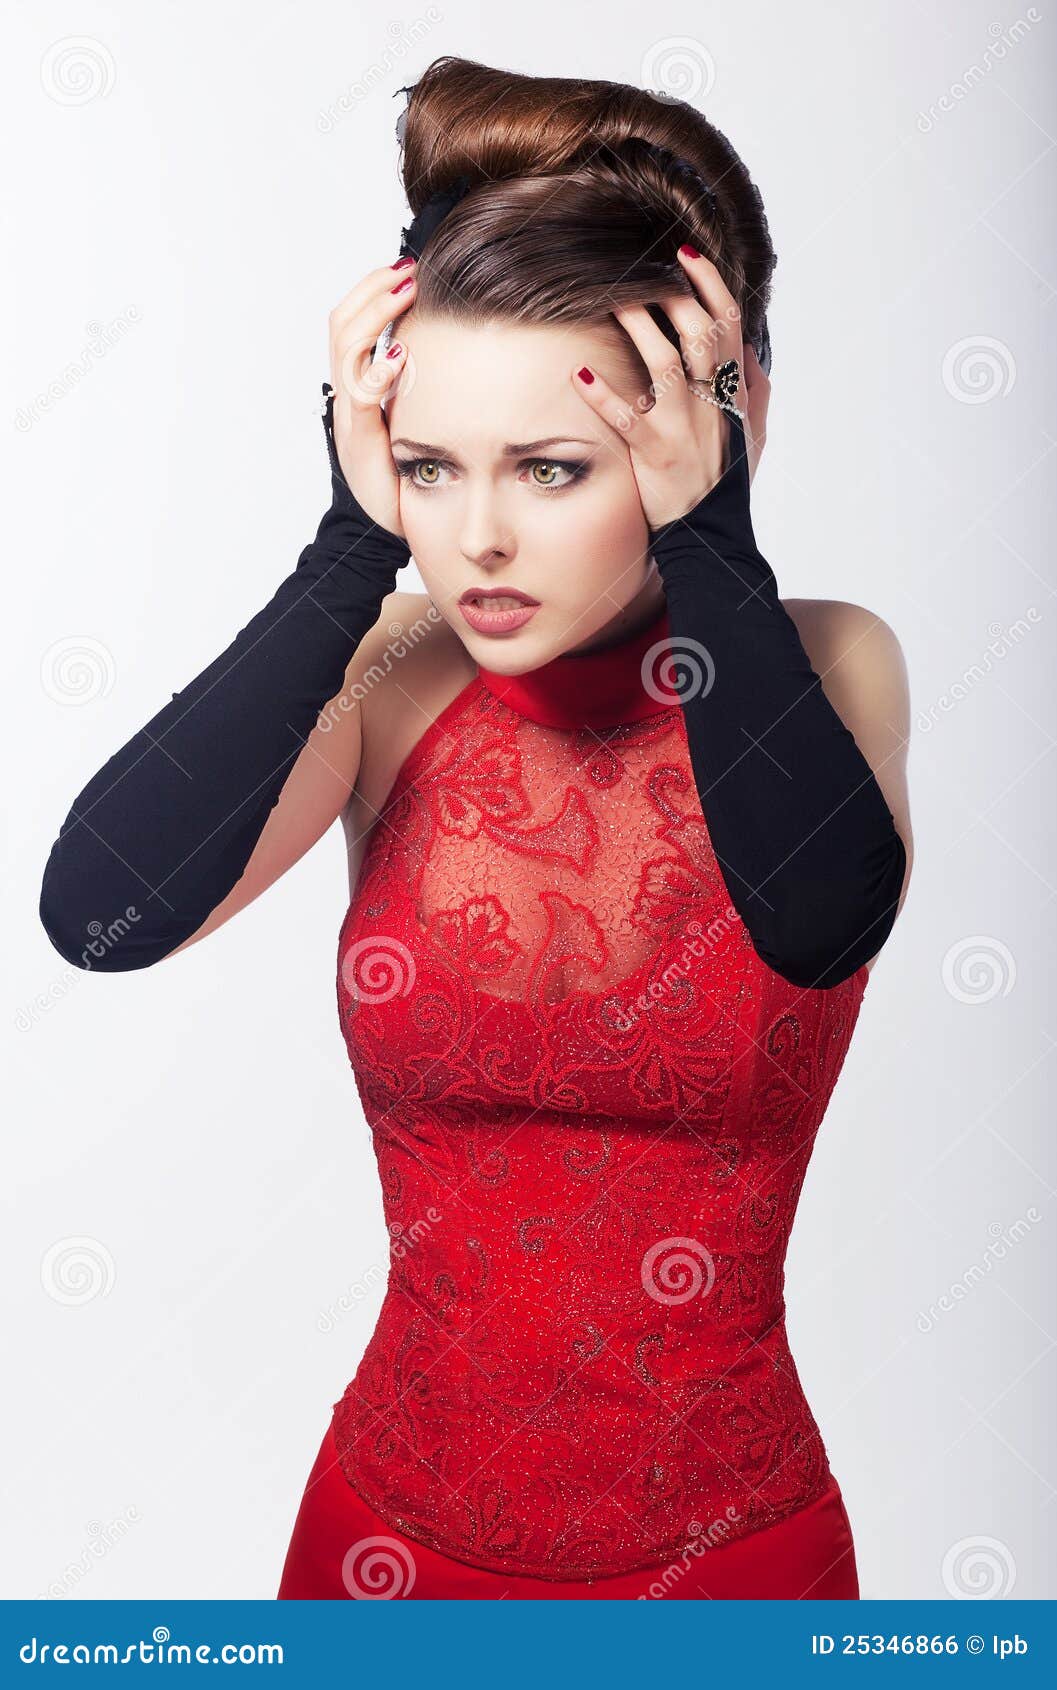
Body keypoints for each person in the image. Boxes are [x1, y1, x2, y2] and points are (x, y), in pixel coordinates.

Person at [38, 56, 912, 1599]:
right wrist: (339, 556)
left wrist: (713, 534)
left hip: (725, 1567)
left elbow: (818, 912)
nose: (479, 537)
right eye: (433, 468)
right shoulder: (389, 674)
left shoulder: (834, 659)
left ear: (722, 418)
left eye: (552, 467)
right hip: (386, 1549)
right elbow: (97, 915)